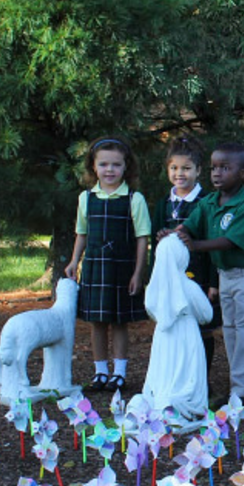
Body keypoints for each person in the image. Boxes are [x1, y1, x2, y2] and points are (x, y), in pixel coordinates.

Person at [173, 142, 244, 407]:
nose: (217, 173)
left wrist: (196, 245)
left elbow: (230, 241)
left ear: (243, 173)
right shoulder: (209, 202)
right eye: (214, 167)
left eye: (225, 168)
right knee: (230, 331)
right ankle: (239, 387)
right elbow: (190, 225)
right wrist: (175, 233)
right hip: (225, 276)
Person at [65, 137, 150, 393]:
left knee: (119, 321)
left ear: (126, 167)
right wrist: (74, 261)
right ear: (93, 166)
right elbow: (82, 233)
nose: (109, 170)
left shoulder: (134, 199)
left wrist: (138, 273)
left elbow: (142, 238)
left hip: (122, 268)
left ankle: (119, 373)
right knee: (97, 321)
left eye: (116, 164)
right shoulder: (86, 198)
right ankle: (100, 372)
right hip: (95, 267)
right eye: (103, 164)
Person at [148, 137, 220, 399]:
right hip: (170, 279)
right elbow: (155, 248)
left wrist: (213, 282)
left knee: (203, 328)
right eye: (174, 168)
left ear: (198, 170)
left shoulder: (207, 201)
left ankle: (203, 381)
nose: (180, 174)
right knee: (175, 328)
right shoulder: (163, 204)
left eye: (186, 168)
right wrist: (152, 278)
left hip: (199, 275)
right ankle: (177, 380)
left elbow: (212, 244)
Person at [143, 235, 212, 420]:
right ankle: (185, 405)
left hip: (163, 336)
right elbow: (207, 315)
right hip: (187, 334)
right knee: (187, 369)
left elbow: (151, 309)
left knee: (165, 369)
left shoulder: (155, 287)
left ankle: (164, 401)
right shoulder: (189, 287)